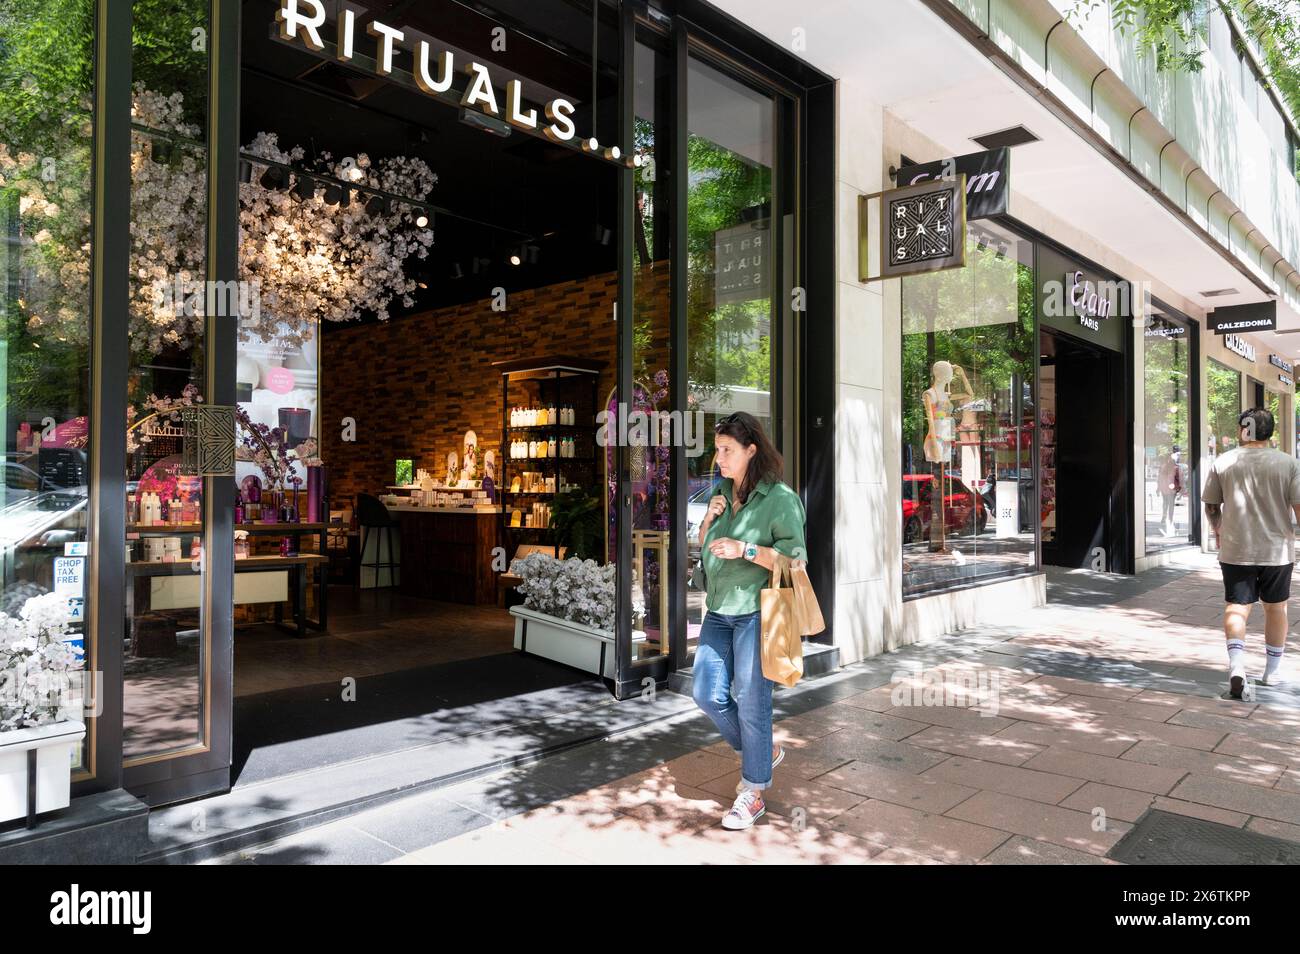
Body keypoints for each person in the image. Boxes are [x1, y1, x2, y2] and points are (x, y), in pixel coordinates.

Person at [693, 411, 807, 830]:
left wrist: (745, 549)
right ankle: (763, 752)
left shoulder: (780, 499)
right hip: (719, 608)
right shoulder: (720, 492)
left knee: (753, 702)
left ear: (751, 450)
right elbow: (704, 548)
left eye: (727, 450)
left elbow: (796, 560)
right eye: (717, 449)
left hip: (758, 611)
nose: (719, 458)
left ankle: (753, 793)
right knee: (706, 693)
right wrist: (708, 521)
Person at [1202, 408, 1300, 698]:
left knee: (1236, 607)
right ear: (1270, 431)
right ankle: (1272, 672)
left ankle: (1236, 666)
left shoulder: (1224, 461)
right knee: (1276, 608)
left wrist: (1218, 530)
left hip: (1236, 548)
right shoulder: (1288, 463)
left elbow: (1211, 505)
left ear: (1244, 430)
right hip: (1277, 551)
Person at [1158, 446, 1183, 536]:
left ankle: (1165, 516)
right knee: (1170, 504)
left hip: (1166, 488)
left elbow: (1159, 478)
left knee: (1166, 503)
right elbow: (1179, 478)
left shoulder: (1164, 466)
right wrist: (1180, 489)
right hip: (1171, 489)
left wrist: (1158, 488)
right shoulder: (1175, 467)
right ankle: (1169, 518)